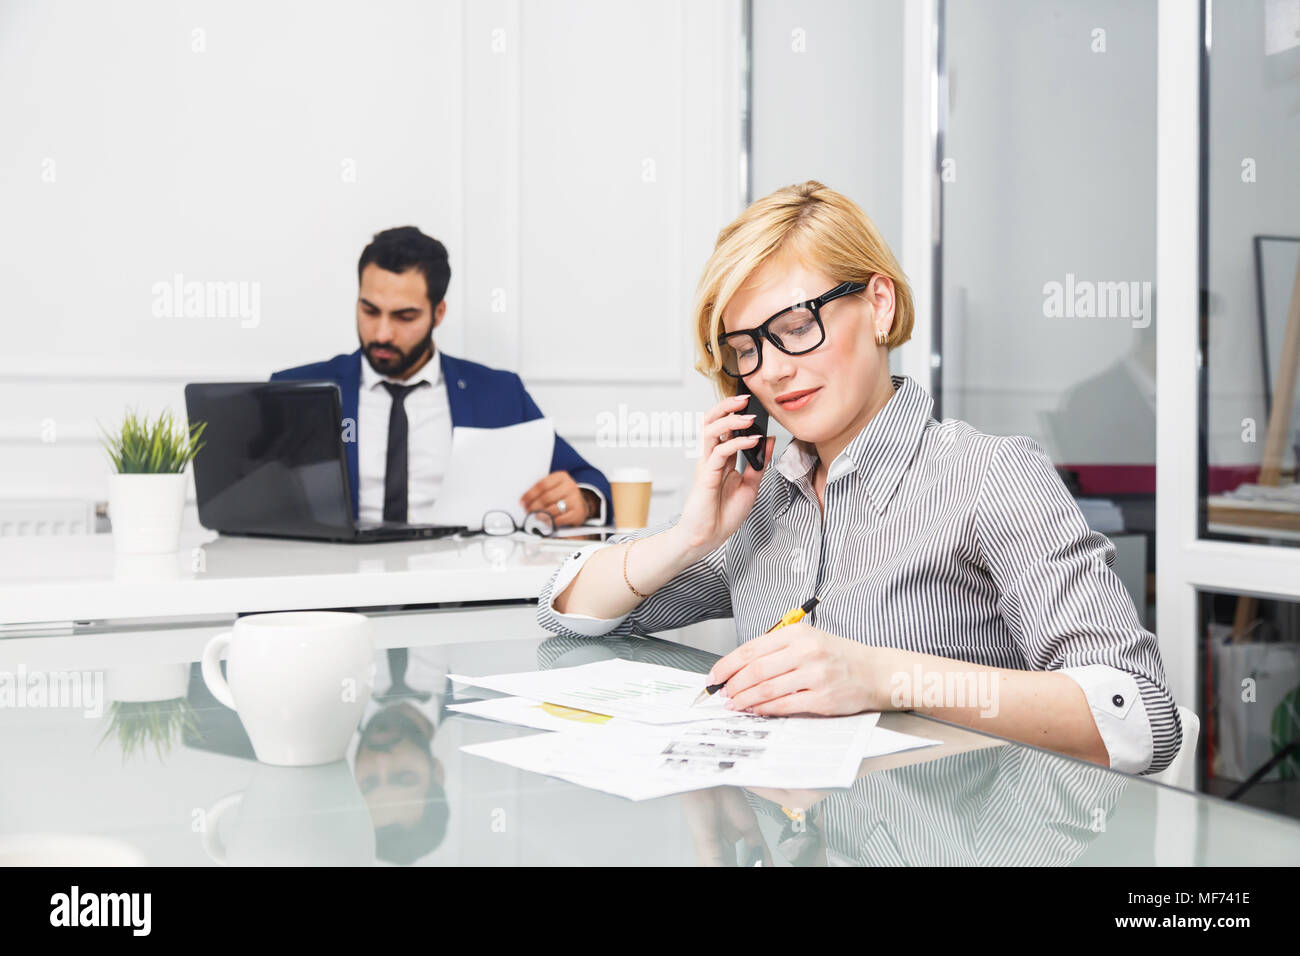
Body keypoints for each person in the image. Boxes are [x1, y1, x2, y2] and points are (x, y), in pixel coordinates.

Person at [537, 181, 1181, 775]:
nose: (773, 371)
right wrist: (690, 537)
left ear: (879, 303)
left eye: (795, 328)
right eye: (746, 348)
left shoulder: (988, 474)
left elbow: (1140, 718)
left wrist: (883, 677)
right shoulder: (765, 501)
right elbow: (570, 611)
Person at [271, 226, 610, 527]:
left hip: (459, 588)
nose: (383, 333)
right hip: (334, 589)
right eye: (369, 311)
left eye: (405, 316)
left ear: (439, 312)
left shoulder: (497, 392)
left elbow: (588, 480)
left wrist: (582, 500)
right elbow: (243, 497)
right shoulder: (297, 392)